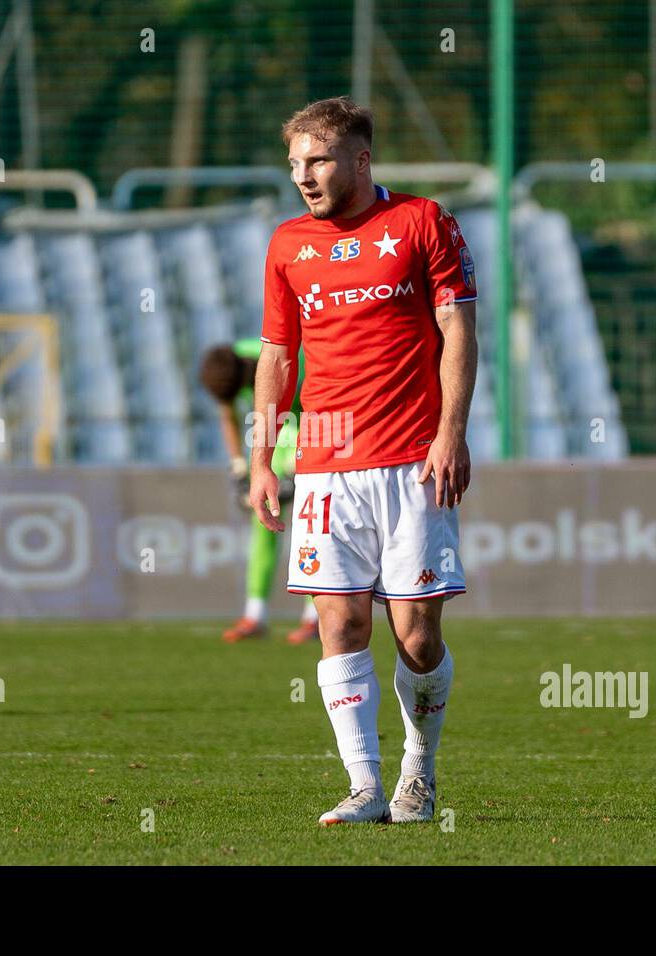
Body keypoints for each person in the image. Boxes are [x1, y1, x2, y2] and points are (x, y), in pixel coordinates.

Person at [248, 97, 478, 825]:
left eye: (317, 160)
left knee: (416, 635)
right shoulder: (288, 244)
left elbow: (458, 328)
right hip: (324, 463)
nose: (304, 177)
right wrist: (263, 456)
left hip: (413, 459)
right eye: (294, 164)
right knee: (339, 625)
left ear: (360, 159)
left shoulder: (421, 221)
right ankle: (364, 784)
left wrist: (452, 431)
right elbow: (279, 356)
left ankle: (420, 770)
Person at [199, 339, 319, 644]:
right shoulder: (226, 370)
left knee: (311, 527)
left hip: (309, 425)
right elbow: (228, 414)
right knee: (262, 521)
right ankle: (255, 614)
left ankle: (314, 617)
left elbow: (317, 408)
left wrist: (297, 464)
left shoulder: (289, 360)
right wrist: (239, 465)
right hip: (272, 435)